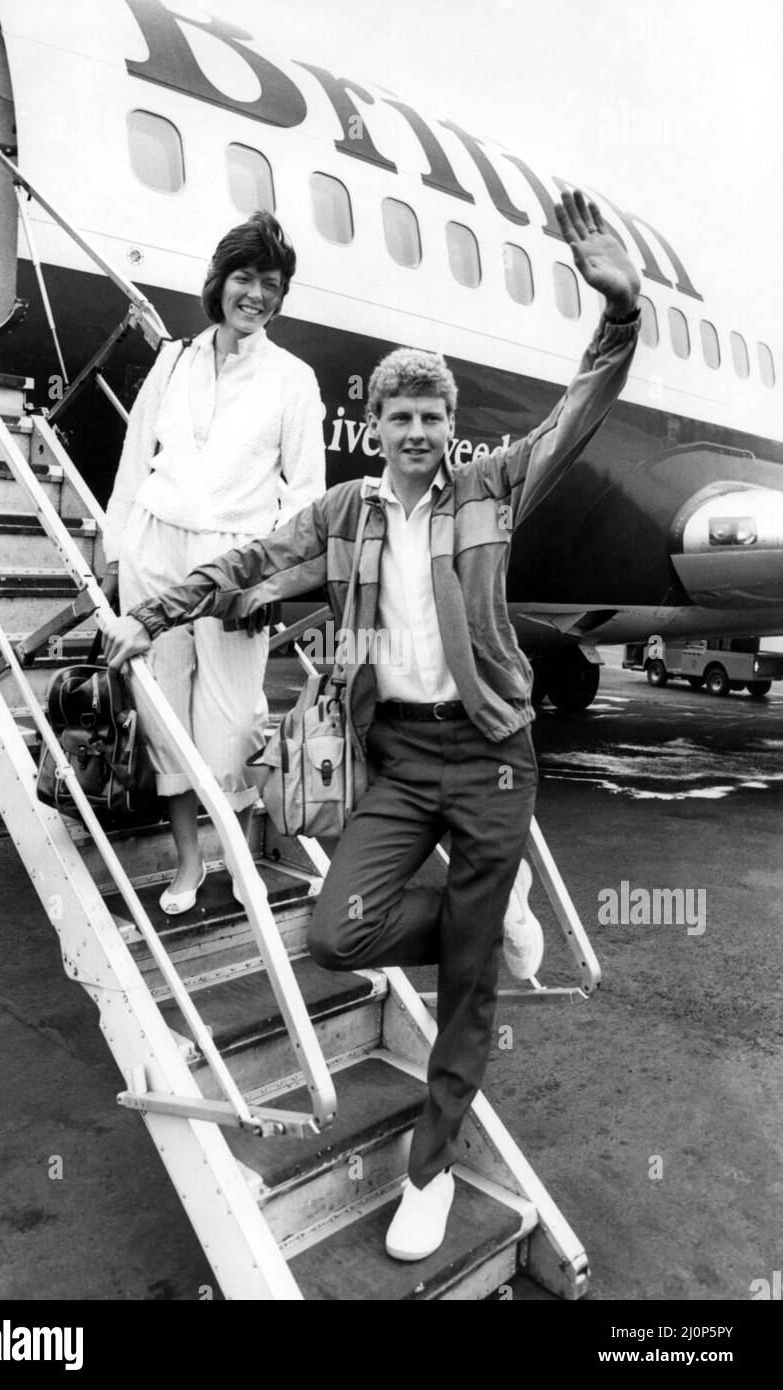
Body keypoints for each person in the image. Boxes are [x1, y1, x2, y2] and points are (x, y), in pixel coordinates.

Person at [104, 189, 641, 1260]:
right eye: (396, 417)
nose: (412, 433)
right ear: (378, 426)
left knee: (468, 994)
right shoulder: (345, 510)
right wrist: (151, 612)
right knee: (338, 931)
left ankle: (430, 1171)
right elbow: (250, 561)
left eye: (429, 417)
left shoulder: (491, 489)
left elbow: (577, 411)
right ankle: (486, 917)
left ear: (449, 429)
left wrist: (618, 314)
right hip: (395, 757)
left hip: (487, 755)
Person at [102, 212, 326, 914]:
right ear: (218, 282)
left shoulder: (294, 378)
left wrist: (270, 579)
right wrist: (115, 553)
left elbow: (308, 494)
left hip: (236, 565)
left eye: (270, 283)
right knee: (166, 713)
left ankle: (236, 857)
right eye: (244, 277)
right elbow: (136, 459)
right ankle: (189, 863)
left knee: (229, 720)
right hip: (157, 549)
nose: (255, 294)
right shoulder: (174, 359)